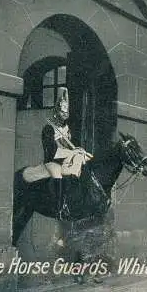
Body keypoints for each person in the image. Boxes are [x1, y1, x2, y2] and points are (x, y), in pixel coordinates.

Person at [41, 87, 91, 220]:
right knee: (58, 176)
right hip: (53, 161)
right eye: (62, 115)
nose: (63, 119)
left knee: (82, 161)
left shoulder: (67, 128)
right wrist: (71, 152)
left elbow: (70, 145)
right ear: (56, 113)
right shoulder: (48, 128)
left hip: (65, 159)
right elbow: (51, 151)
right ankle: (59, 208)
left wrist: (77, 150)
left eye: (65, 115)